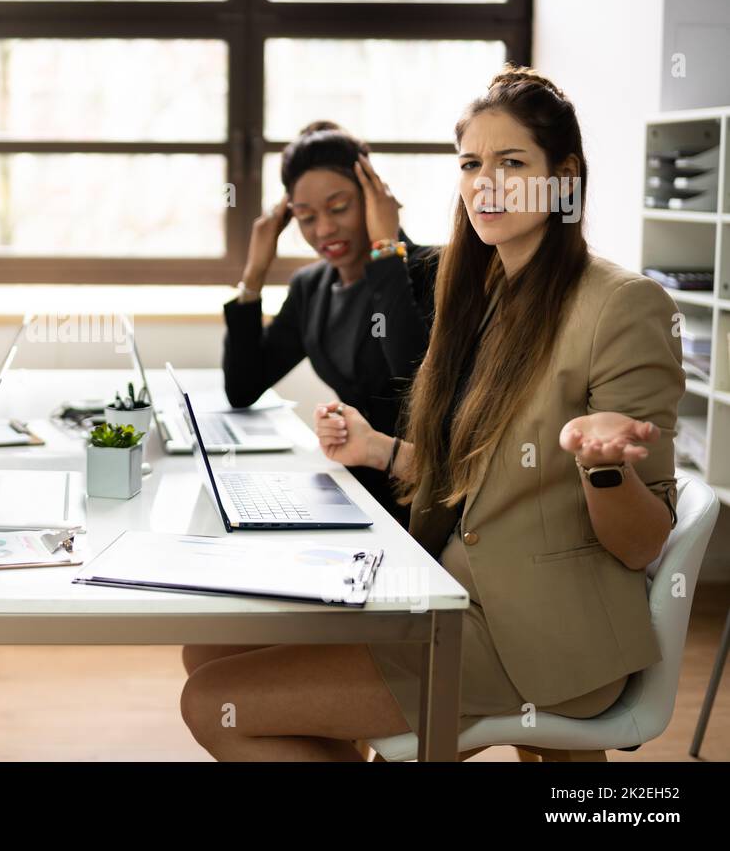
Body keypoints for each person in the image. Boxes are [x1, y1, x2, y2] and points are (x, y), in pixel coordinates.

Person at [180, 66, 682, 761]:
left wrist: (601, 471)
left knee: (213, 704)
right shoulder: (486, 295)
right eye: (472, 164)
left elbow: (642, 542)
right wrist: (380, 450)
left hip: (537, 636)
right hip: (448, 585)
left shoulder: (621, 307)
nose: (486, 183)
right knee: (207, 650)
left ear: (564, 178)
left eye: (512, 163)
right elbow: (486, 480)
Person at [223, 121, 438, 524]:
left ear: (374, 198)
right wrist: (254, 275)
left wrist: (386, 251)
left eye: (339, 208)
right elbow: (243, 388)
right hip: (347, 493)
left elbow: (416, 383)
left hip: (422, 500)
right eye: (305, 217)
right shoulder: (312, 287)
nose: (323, 230)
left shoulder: (433, 271)